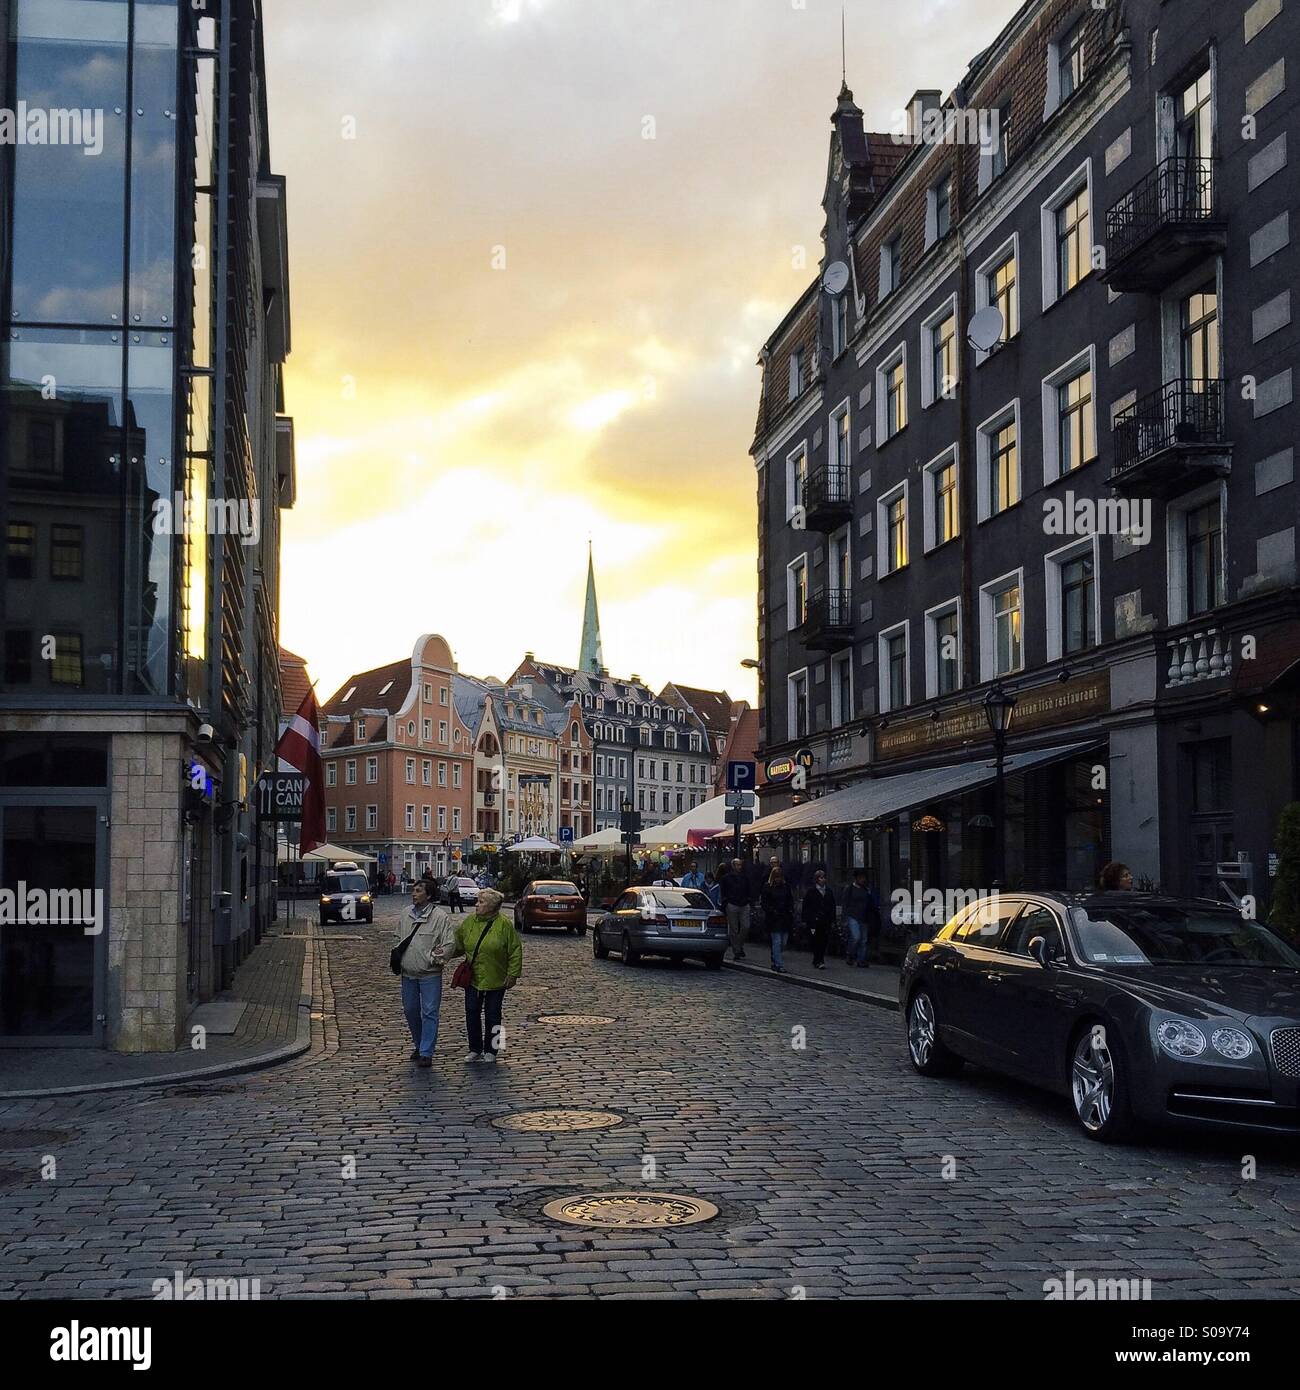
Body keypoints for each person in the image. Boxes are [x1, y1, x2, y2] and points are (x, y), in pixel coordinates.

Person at [449, 888, 522, 1063]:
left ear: (491, 907)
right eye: (478, 901)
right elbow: (457, 944)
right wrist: (443, 954)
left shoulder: (504, 925)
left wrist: (513, 974)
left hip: (496, 977)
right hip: (474, 977)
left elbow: (515, 950)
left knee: (494, 1014)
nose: (477, 905)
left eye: (481, 902)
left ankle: (494, 1049)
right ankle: (474, 1048)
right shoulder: (469, 922)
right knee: (471, 1012)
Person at [393, 880, 458, 1067]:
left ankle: (426, 1052)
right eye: (413, 890)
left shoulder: (439, 917)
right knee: (410, 1010)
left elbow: (448, 944)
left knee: (429, 1012)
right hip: (408, 972)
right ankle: (419, 1043)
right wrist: (397, 952)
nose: (414, 894)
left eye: (418, 891)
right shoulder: (406, 913)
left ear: (428, 895)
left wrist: (433, 959)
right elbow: (397, 937)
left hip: (430, 974)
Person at [841, 868, 881, 968]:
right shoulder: (850, 889)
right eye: (861, 878)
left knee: (863, 940)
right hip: (853, 916)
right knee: (856, 937)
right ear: (856, 879)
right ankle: (850, 954)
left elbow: (871, 903)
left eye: (864, 878)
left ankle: (861, 960)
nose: (863, 880)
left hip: (864, 917)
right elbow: (845, 903)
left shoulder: (866, 890)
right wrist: (845, 917)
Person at [760, 865, 794, 973]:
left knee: (783, 941)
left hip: (784, 917)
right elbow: (764, 903)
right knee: (777, 941)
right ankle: (779, 964)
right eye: (776, 877)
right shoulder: (767, 887)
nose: (778, 879)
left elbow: (790, 899)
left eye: (780, 877)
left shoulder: (786, 887)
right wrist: (771, 910)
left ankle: (775, 958)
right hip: (773, 918)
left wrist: (790, 909)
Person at [801, 869, 837, 970]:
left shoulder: (828, 891)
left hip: (825, 921)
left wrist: (833, 920)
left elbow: (832, 906)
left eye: (824, 877)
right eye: (821, 878)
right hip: (814, 921)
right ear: (816, 879)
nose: (823, 880)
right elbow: (806, 906)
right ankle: (818, 959)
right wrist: (805, 919)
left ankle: (820, 959)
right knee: (815, 940)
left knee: (824, 941)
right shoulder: (811, 891)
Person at [719, 858, 752, 960]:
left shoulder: (745, 877)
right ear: (733, 866)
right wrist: (726, 901)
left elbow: (749, 889)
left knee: (746, 926)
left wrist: (749, 899)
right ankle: (736, 950)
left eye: (740, 865)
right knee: (733, 929)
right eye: (737, 865)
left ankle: (738, 945)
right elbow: (723, 891)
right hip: (732, 904)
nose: (739, 867)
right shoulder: (726, 878)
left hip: (744, 904)